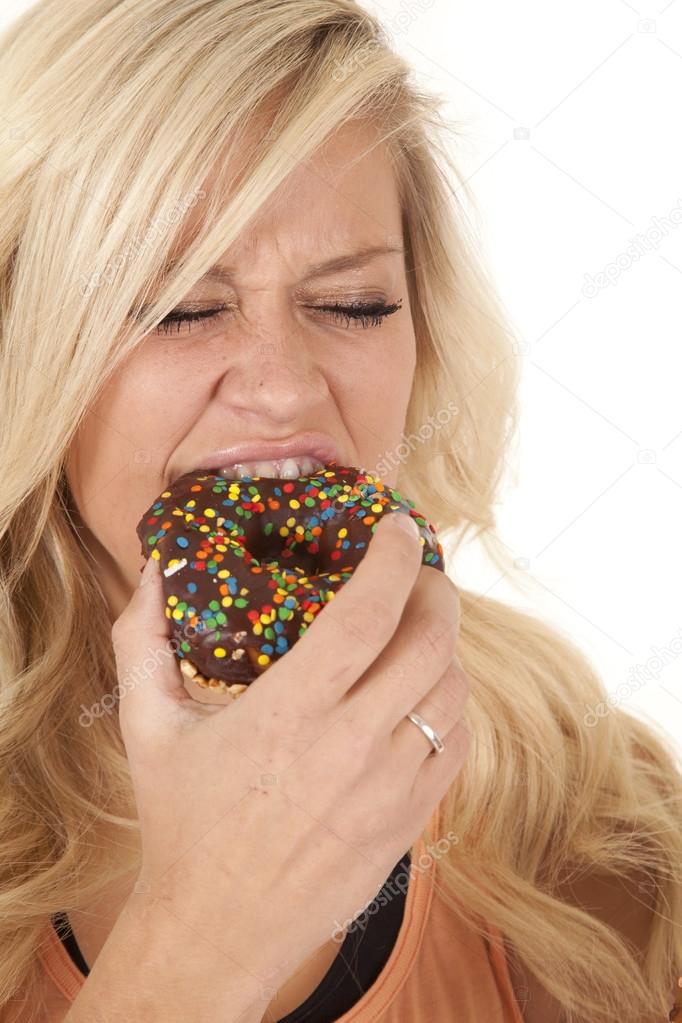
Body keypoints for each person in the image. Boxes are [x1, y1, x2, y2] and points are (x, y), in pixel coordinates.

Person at [0, 1, 680, 1021]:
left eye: (351, 304)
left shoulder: (577, 806)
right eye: (180, 306)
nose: (283, 388)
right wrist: (202, 943)